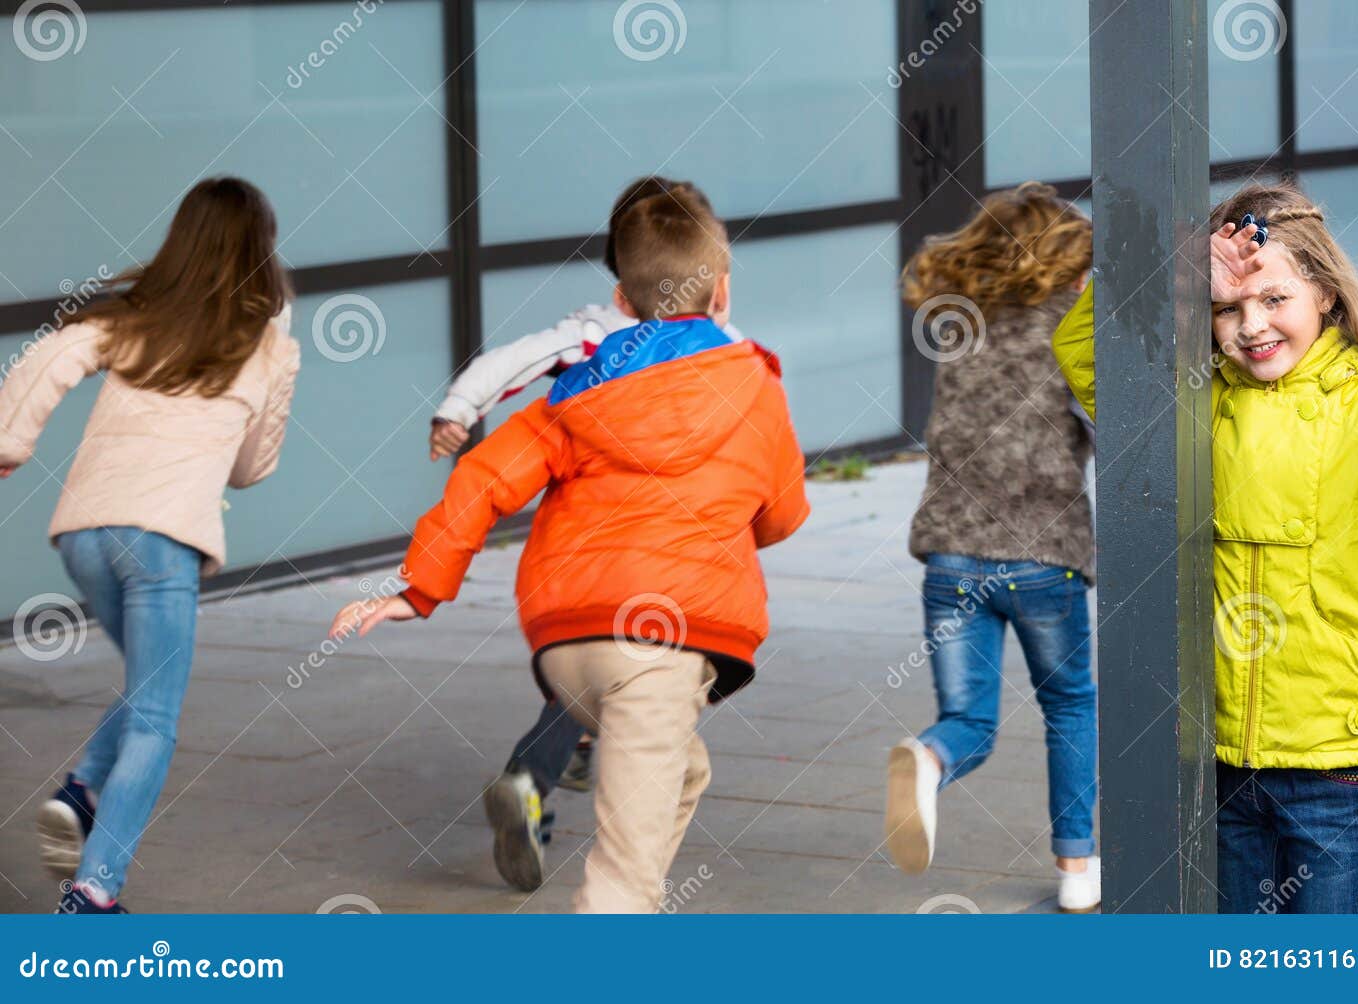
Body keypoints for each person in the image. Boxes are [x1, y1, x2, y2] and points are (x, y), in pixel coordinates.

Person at [331, 183, 809, 912]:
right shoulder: (754, 382)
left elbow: (485, 479)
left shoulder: (572, 396)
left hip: (566, 644)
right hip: (664, 644)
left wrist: (416, 589)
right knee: (621, 886)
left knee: (682, 773)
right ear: (723, 292)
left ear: (622, 300)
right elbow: (781, 516)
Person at [1052, 182, 1358, 913]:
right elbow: (1086, 356)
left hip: (1338, 763)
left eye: (1275, 299)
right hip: (1217, 757)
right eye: (1227, 308)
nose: (1251, 325)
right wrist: (1167, 268)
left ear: (1327, 298)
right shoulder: (1193, 401)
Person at [426, 177, 743, 893]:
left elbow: (513, 361)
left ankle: (542, 772)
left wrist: (458, 408)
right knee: (629, 679)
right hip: (671, 551)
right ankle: (560, 792)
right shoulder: (721, 345)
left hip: (584, 551)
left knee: (594, 665)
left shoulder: (594, 331)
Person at [0, 177, 300, 914]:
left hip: (84, 533)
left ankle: (82, 790)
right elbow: (254, 468)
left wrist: (10, 440)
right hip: (164, 541)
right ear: (262, 251)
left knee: (146, 686)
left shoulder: (134, 315)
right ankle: (94, 892)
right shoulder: (264, 341)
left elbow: (48, 359)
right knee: (157, 719)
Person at [883, 182, 1101, 911]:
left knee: (969, 720)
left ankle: (929, 756)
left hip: (951, 554)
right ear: (1067, 264)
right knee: (1069, 706)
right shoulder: (1074, 325)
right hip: (1045, 555)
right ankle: (1076, 871)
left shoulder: (963, 325)